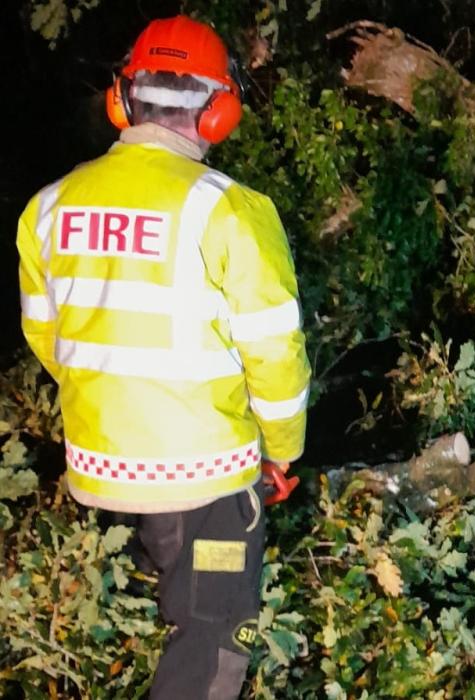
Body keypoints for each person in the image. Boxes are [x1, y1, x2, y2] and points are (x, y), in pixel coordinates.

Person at [15, 15, 310, 699]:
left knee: (174, 572)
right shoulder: (230, 210)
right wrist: (281, 450)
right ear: (219, 113)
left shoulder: (50, 206)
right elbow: (275, 356)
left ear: (122, 100)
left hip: (98, 460)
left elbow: (48, 339)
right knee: (215, 630)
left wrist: (116, 403)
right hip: (205, 474)